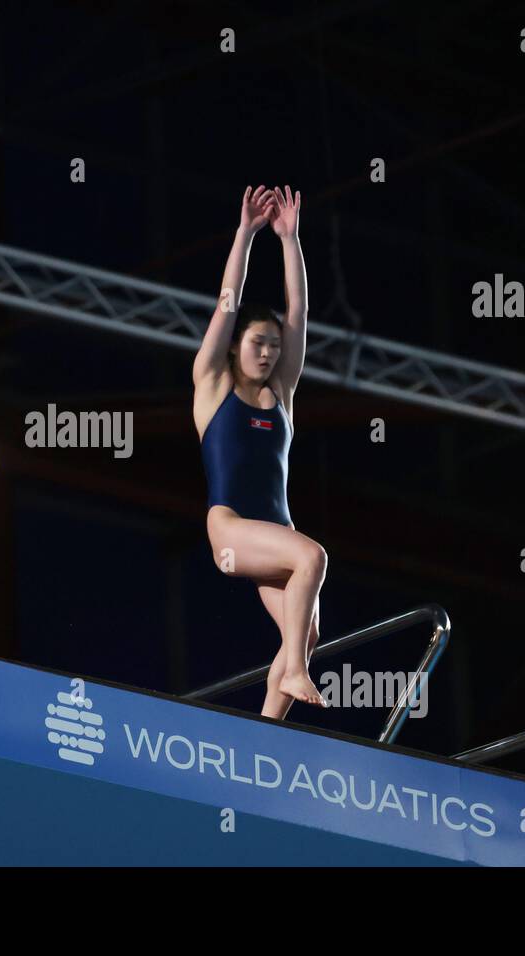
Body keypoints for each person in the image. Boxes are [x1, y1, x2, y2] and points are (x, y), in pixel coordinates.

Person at [192, 184, 327, 718]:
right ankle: (293, 668)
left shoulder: (283, 394)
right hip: (229, 528)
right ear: (234, 346)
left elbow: (299, 312)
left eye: (273, 345)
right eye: (257, 343)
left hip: (274, 531)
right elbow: (228, 301)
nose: (269, 352)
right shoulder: (211, 384)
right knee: (312, 557)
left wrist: (290, 240)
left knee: (308, 630)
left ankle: (266, 733)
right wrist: (246, 234)